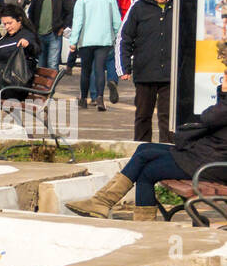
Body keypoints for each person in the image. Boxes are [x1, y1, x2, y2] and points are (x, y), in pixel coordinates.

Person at [67, 76, 227, 221]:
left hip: (211, 164)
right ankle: (102, 202)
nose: (223, 79)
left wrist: (224, 93)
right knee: (144, 149)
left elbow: (209, 117)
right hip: (204, 156)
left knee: (147, 170)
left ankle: (106, 204)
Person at [119, 0, 173, 143]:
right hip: (145, 72)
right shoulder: (138, 7)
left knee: (168, 119)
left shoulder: (177, 7)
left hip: (170, 75)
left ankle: (168, 153)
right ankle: (141, 150)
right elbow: (124, 37)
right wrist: (124, 67)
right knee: (143, 116)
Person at [69, 0, 122, 111]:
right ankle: (100, 98)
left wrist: (73, 42)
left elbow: (78, 22)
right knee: (99, 69)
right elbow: (117, 21)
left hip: (86, 41)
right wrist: (117, 36)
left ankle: (83, 99)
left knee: (86, 70)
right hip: (104, 40)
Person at [90, 0, 131, 104]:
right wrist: (122, 24)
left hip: (93, 27)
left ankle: (95, 96)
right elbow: (126, 5)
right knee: (113, 58)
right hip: (113, 27)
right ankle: (113, 80)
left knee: (95, 63)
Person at [25, 0, 73, 71]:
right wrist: (33, 30)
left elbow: (70, 13)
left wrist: (62, 27)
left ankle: (51, 87)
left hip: (54, 34)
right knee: (41, 64)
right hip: (39, 35)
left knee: (53, 64)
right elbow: (31, 14)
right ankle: (42, 87)